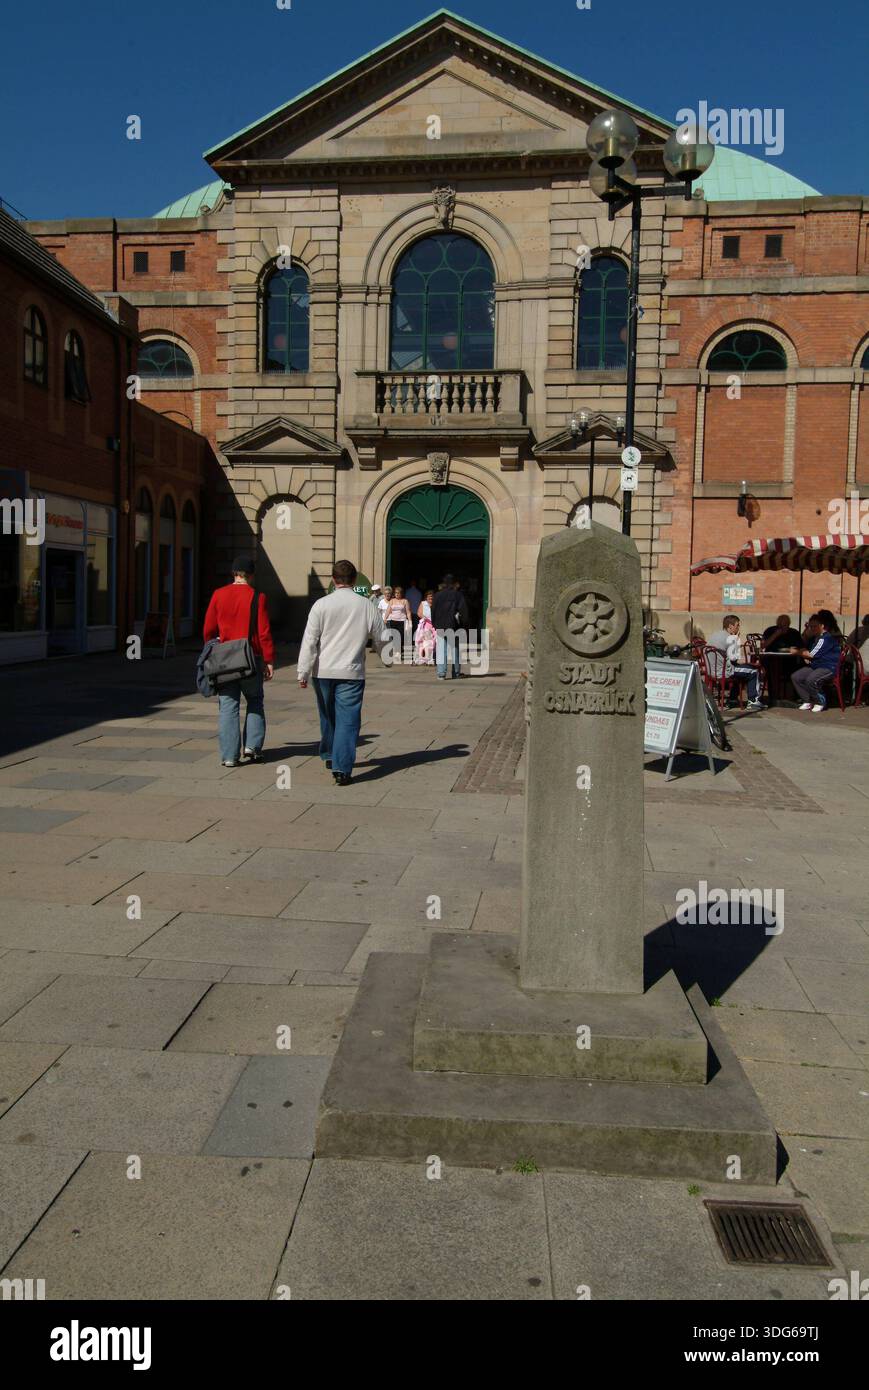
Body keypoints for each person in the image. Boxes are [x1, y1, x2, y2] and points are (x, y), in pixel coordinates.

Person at [296, 559, 387, 785]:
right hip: (351, 671)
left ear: (333, 579)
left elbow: (309, 640)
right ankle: (342, 768)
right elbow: (382, 636)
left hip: (323, 670)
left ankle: (329, 754)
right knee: (348, 720)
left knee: (327, 715)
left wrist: (303, 671)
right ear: (354, 580)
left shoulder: (321, 605)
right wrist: (387, 658)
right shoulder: (366, 605)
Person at [203, 555, 275, 767]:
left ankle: (229, 756)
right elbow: (264, 633)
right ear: (251, 575)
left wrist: (214, 646)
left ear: (234, 573)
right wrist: (269, 660)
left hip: (224, 661)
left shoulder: (218, 594)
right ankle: (252, 746)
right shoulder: (257, 597)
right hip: (250, 658)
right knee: (254, 700)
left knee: (228, 706)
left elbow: (208, 629)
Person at [706, 614, 764, 710]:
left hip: (712, 671)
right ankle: (753, 701)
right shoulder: (731, 638)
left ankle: (733, 698)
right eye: (737, 625)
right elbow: (735, 659)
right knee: (754, 670)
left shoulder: (715, 634)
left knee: (742, 670)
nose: (738, 627)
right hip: (724, 671)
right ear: (730, 626)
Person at [790, 609, 842, 711]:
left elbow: (811, 654)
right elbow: (810, 652)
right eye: (811, 626)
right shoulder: (817, 638)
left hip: (828, 667)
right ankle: (807, 701)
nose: (812, 629)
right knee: (796, 677)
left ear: (822, 626)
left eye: (814, 626)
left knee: (811, 680)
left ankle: (820, 701)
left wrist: (797, 652)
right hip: (817, 665)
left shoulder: (825, 638)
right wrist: (805, 655)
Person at [432, 573, 469, 679]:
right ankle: (456, 672)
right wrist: (464, 625)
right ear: (453, 583)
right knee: (455, 649)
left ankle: (441, 673)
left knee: (441, 649)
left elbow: (433, 611)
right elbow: (464, 611)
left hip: (440, 625)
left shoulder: (438, 595)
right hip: (454, 625)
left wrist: (435, 624)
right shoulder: (458, 595)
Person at [384, 585, 412, 664]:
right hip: (393, 621)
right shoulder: (392, 601)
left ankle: (398, 652)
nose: (397, 594)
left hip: (402, 621)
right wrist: (385, 618)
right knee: (394, 637)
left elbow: (408, 612)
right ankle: (396, 652)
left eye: (398, 593)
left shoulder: (405, 601)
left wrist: (410, 621)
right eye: (396, 593)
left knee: (401, 637)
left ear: (401, 594)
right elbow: (388, 610)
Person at [414, 589, 436, 665]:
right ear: (426, 598)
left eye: (432, 598)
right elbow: (419, 613)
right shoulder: (423, 603)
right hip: (425, 624)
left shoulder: (436, 604)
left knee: (433, 643)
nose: (431, 599)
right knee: (424, 643)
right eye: (429, 598)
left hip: (434, 625)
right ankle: (421, 659)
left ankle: (430, 659)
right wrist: (424, 617)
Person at [405, 579, 422, 644]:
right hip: (417, 612)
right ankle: (415, 640)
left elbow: (407, 602)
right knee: (416, 627)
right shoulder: (419, 592)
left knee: (409, 627)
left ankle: (409, 641)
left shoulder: (408, 592)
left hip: (410, 612)